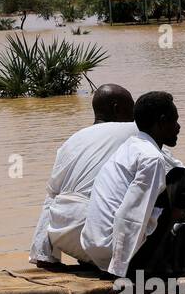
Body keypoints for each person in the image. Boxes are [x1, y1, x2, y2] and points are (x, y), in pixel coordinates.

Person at [81, 91, 185, 278]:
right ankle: (156, 263)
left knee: (174, 183)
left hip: (96, 249)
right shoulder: (151, 159)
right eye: (175, 121)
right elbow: (131, 215)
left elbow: (171, 197)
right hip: (116, 254)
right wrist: (119, 271)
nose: (178, 128)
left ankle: (156, 258)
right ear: (162, 121)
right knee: (182, 177)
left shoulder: (131, 146)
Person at [30, 84, 137, 265]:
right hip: (99, 237)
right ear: (117, 109)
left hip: (61, 232)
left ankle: (43, 256)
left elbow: (52, 194)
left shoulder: (72, 140)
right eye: (132, 110)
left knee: (53, 194)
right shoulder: (134, 131)